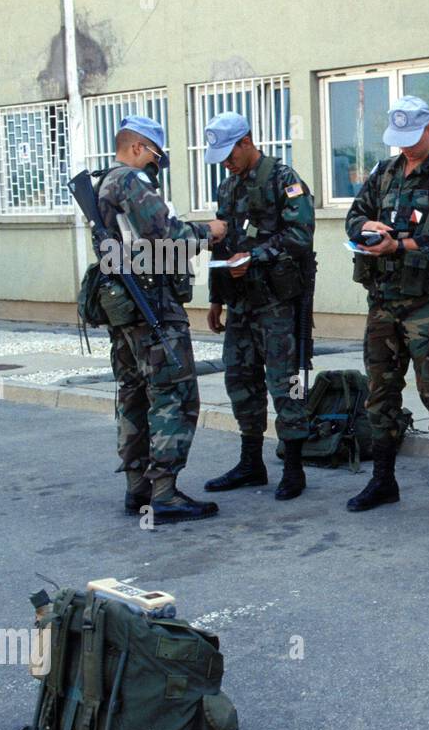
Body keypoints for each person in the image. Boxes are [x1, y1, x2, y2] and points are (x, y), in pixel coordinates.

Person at [343, 95, 429, 519]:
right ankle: (383, 479)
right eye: (398, 139)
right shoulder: (384, 173)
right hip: (382, 303)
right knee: (380, 395)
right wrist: (366, 227)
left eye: (412, 137)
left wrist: (398, 244)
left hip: (428, 307)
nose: (405, 147)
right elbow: (353, 216)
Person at [96, 116, 226, 522]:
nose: (155, 166)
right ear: (137, 147)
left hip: (127, 310)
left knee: (134, 395)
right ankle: (165, 493)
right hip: (153, 307)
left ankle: (138, 487)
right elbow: (165, 235)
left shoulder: (103, 183)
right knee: (174, 395)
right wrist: (209, 231)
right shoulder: (130, 181)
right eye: (154, 156)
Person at [202, 112, 316, 501]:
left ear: (247, 141)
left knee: (287, 385)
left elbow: (301, 236)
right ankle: (251, 463)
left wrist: (258, 256)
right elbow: (223, 243)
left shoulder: (284, 180)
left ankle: (294, 468)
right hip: (240, 304)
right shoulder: (228, 187)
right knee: (240, 382)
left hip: (277, 304)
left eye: (229, 153)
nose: (226, 162)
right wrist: (216, 299)